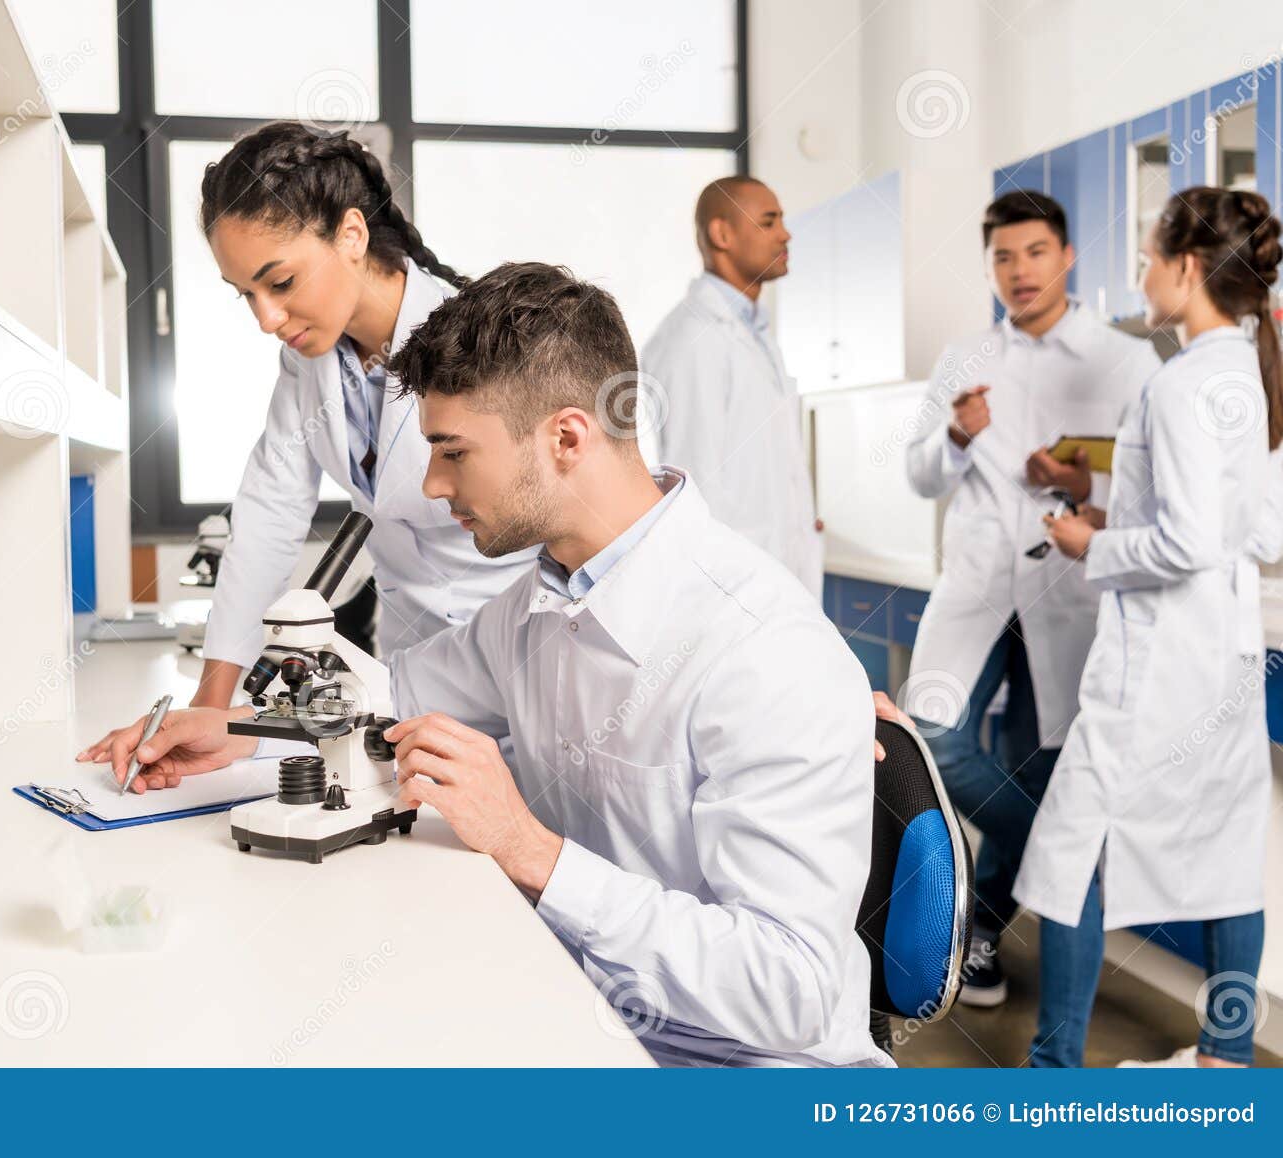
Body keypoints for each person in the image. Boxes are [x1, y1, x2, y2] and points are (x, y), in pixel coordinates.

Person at [108, 263, 890, 1068]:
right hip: (579, 1004)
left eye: (451, 451)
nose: (432, 484)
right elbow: (393, 694)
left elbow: (789, 991)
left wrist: (529, 849)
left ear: (566, 437)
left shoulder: (762, 650)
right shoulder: (543, 598)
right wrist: (235, 728)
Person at [78, 122, 532, 772]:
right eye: (247, 296)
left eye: (280, 283)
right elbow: (267, 517)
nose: (265, 319)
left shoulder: (482, 343)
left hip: (519, 667)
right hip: (405, 678)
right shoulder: (313, 361)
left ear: (351, 236)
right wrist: (209, 707)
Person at [1014, 187, 1282, 1068]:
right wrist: (1097, 493)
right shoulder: (1251, 372)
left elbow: (1189, 538)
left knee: (1069, 851)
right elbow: (1263, 526)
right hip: (1225, 655)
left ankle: (1053, 1079)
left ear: (1188, 268)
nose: (1140, 273)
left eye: (1147, 256)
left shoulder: (1176, 384)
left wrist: (1091, 540)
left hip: (1160, 663)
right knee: (1230, 849)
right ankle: (1226, 1061)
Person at [901, 191, 1162, 1006]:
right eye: (1004, 258)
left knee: (1038, 767)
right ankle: (1062, 858)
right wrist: (955, 436)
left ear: (1069, 256)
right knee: (934, 734)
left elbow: (1155, 487)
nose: (1020, 272)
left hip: (1071, 587)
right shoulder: (965, 357)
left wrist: (1088, 481)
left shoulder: (1125, 361)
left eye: (1036, 253)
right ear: (990, 266)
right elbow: (918, 475)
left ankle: (980, 935)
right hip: (980, 583)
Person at [641, 176, 822, 595]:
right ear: (722, 234)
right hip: (735, 586)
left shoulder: (756, 333)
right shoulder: (690, 339)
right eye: (769, 222)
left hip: (776, 574)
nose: (785, 234)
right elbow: (695, 483)